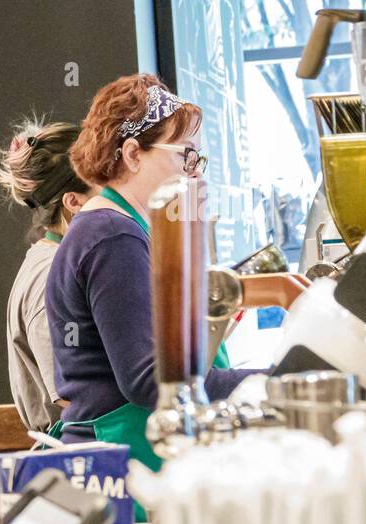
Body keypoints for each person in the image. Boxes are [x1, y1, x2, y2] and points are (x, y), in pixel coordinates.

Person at [45, 74, 254, 469]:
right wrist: (275, 381)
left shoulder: (123, 226)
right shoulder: (111, 234)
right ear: (133, 154)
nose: (194, 171)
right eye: (185, 154)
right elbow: (150, 381)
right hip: (124, 462)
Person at [0, 119, 97, 433]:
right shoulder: (51, 276)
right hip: (79, 455)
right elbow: (70, 396)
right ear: (74, 203)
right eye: (106, 191)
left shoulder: (64, 262)